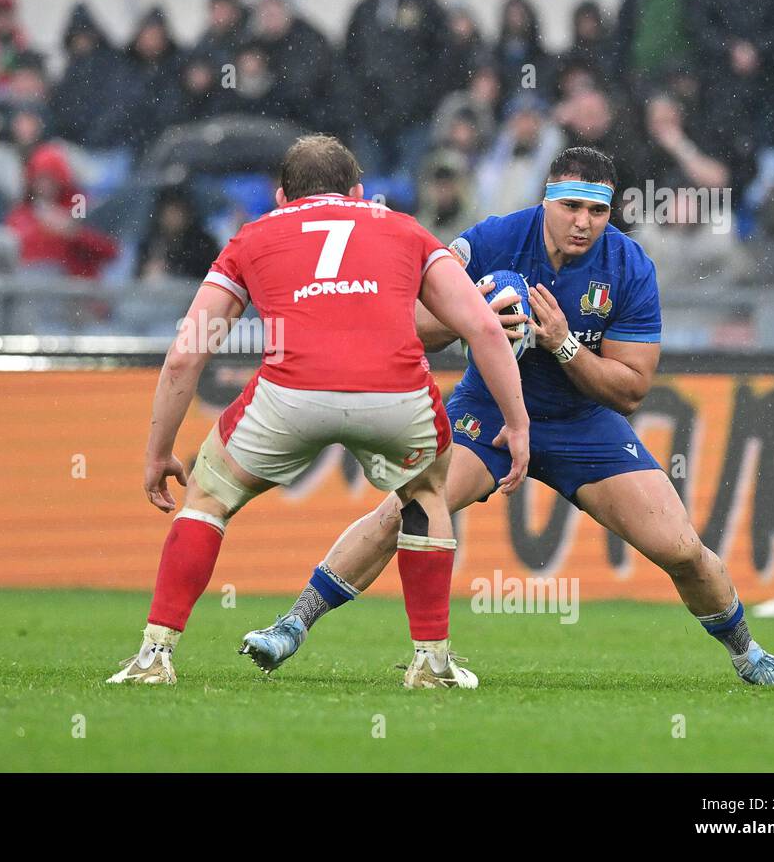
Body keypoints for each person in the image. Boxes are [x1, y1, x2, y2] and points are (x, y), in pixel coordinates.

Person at [241, 147, 774, 689]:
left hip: (580, 422)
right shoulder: (492, 239)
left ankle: (751, 657)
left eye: (597, 210)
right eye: (570, 206)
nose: (583, 222)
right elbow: (408, 325)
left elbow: (632, 390)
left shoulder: (629, 265)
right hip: (487, 407)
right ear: (546, 200)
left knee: (682, 549)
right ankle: (291, 626)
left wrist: (564, 344)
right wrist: (475, 320)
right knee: (407, 509)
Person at [107, 134, 529, 686]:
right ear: (359, 192)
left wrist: (157, 452)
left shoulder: (253, 236)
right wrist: (518, 424)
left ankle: (154, 657)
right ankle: (432, 664)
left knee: (208, 497)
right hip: (394, 394)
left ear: (281, 197)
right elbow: (481, 326)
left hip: (290, 394)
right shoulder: (404, 228)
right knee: (426, 495)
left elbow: (189, 353)